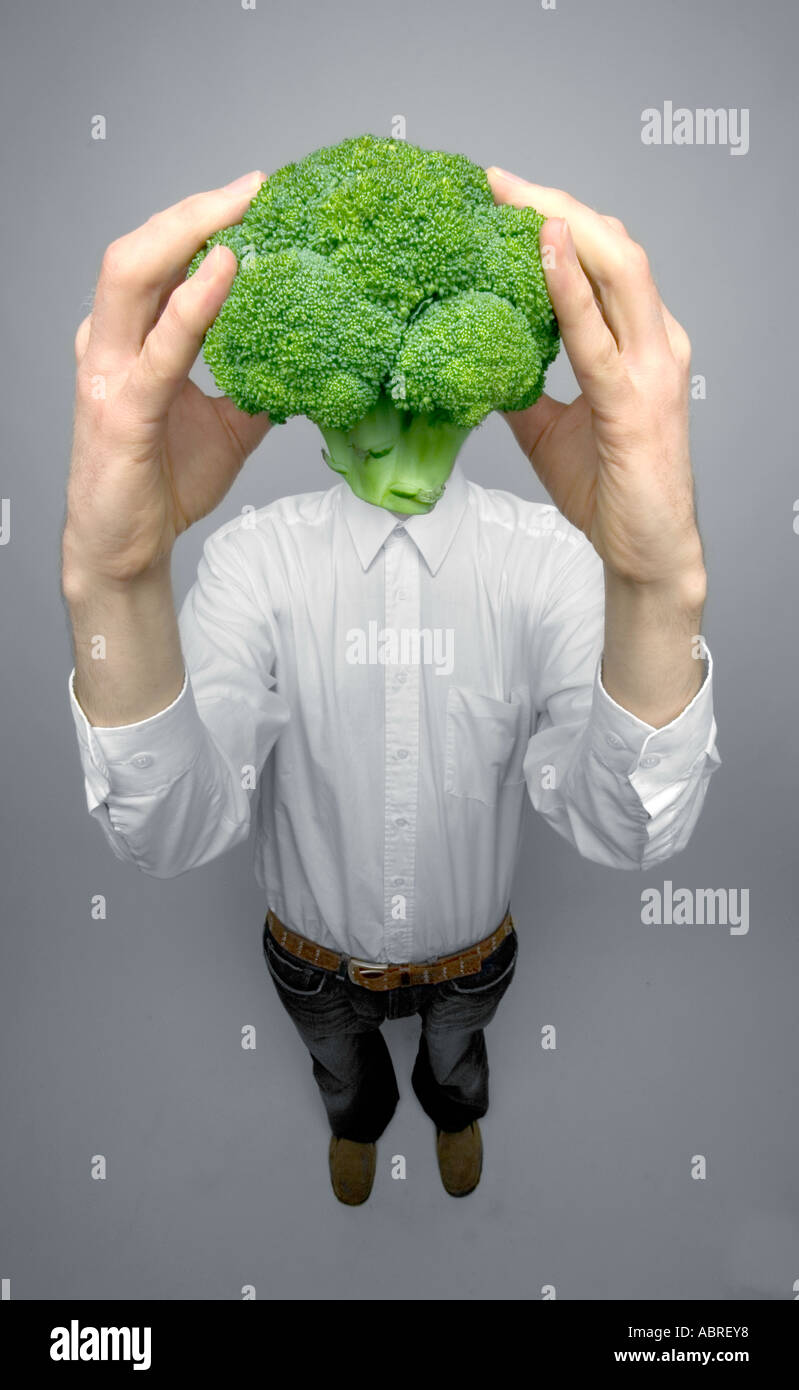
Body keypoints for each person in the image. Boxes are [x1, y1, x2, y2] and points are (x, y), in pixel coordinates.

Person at [61, 165, 721, 1206]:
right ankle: (357, 1127)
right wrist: (113, 579)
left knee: (457, 1063)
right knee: (342, 1072)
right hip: (309, 961)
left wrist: (656, 581)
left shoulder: (544, 559)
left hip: (475, 955)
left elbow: (633, 828)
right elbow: (168, 829)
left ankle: (455, 1112)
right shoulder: (252, 563)